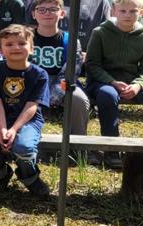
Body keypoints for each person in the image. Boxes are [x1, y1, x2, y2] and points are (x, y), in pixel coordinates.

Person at [84, 0, 143, 169]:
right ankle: (112, 150)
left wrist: (138, 85)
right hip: (102, 82)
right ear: (114, 11)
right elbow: (92, 64)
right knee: (108, 95)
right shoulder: (100, 33)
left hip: (132, 83)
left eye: (133, 11)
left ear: (141, 13)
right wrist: (112, 82)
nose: (127, 15)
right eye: (123, 11)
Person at [0, 24, 48, 196]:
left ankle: (30, 177)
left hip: (28, 120)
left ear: (32, 48)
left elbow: (32, 106)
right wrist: (3, 129)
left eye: (22, 43)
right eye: (9, 44)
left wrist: (14, 129)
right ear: (0, 50)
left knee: (23, 148)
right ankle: (0, 175)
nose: (16, 47)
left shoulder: (39, 74)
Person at [29, 0, 89, 163]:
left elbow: (73, 67)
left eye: (52, 9)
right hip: (32, 82)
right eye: (41, 9)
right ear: (33, 14)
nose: (47, 13)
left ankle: (78, 148)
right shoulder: (26, 37)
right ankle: (29, 146)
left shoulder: (70, 39)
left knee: (78, 99)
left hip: (60, 81)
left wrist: (55, 91)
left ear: (62, 13)